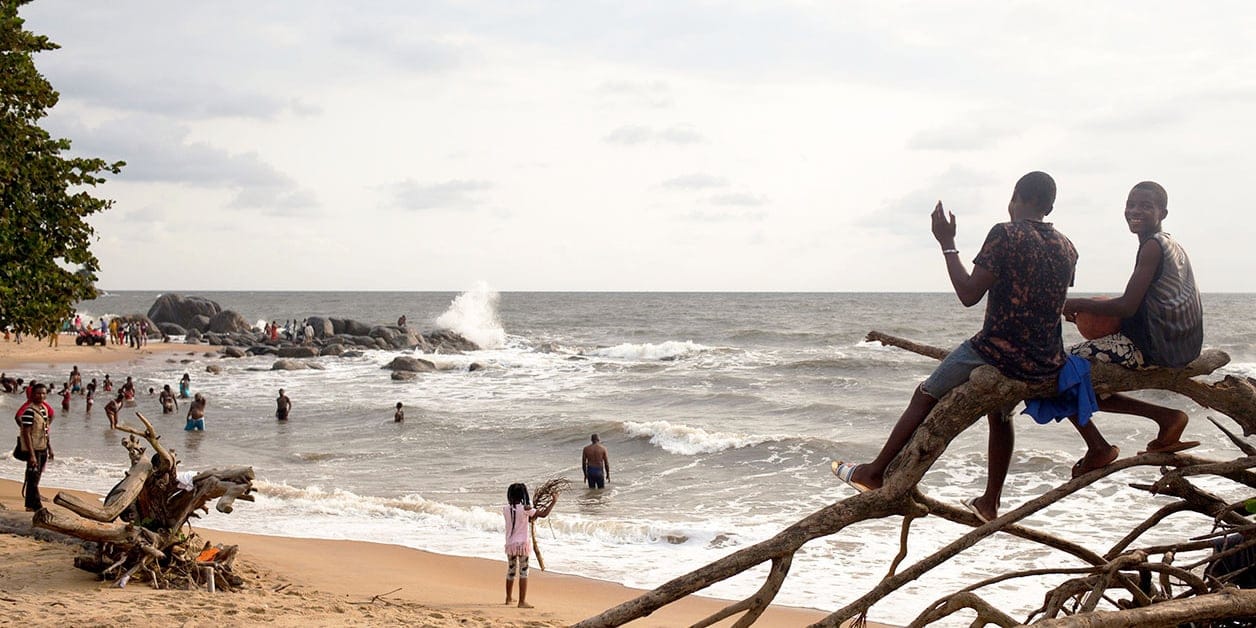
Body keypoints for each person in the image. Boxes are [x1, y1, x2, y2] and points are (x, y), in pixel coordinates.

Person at [832, 172, 1078, 523]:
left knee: (925, 393)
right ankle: (990, 501)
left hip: (995, 350)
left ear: (1015, 198)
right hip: (1045, 359)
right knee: (1002, 414)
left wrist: (947, 243)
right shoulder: (1067, 246)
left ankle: (874, 472)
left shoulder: (1005, 234)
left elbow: (968, 294)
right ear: (1050, 206)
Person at [1061, 181, 1203, 475]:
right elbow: (1140, 306)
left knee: (1056, 370)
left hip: (1151, 349)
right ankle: (1166, 418)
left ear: (1162, 211)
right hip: (1180, 347)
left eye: (1145, 206)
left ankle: (1099, 447)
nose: (1135, 211)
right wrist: (1089, 314)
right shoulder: (1170, 243)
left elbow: (1126, 306)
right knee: (1087, 380)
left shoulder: (1152, 247)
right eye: (1131, 204)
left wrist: (1075, 302)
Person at [502, 482, 555, 608]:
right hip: (523, 545)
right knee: (523, 572)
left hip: (510, 544)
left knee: (511, 571)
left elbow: (519, 518)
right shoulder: (526, 509)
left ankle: (508, 598)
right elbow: (543, 514)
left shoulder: (505, 509)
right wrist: (553, 501)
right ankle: (522, 601)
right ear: (523, 495)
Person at [16, 383, 53, 511]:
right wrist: (31, 455)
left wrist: (50, 448)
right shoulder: (29, 411)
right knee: (32, 479)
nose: (41, 396)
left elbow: (45, 431)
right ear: (33, 395)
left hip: (42, 447)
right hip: (34, 449)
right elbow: (26, 433)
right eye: (38, 393)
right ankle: (37, 506)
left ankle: (29, 505)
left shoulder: (44, 409)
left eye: (43, 393)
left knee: (35, 479)